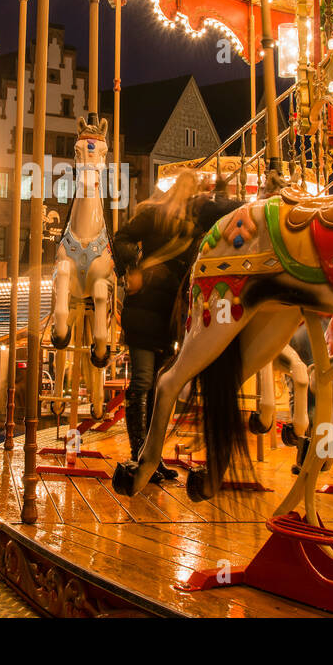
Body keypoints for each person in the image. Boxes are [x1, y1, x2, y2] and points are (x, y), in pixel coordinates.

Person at [111, 169, 203, 483]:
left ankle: (151, 456)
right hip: (146, 302)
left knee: (158, 386)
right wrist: (133, 268)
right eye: (187, 186)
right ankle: (140, 455)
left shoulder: (191, 228)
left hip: (168, 313)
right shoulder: (153, 216)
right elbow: (120, 238)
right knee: (143, 382)